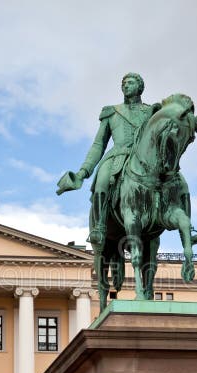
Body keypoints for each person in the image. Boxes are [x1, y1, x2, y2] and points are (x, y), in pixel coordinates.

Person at [57, 72, 160, 244]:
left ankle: (180, 221)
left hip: (145, 160)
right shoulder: (112, 112)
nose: (125, 85)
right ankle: (99, 227)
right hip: (116, 157)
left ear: (140, 87)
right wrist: (83, 172)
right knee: (101, 184)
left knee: (175, 182)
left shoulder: (151, 112)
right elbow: (98, 145)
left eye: (130, 82)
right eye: (124, 83)